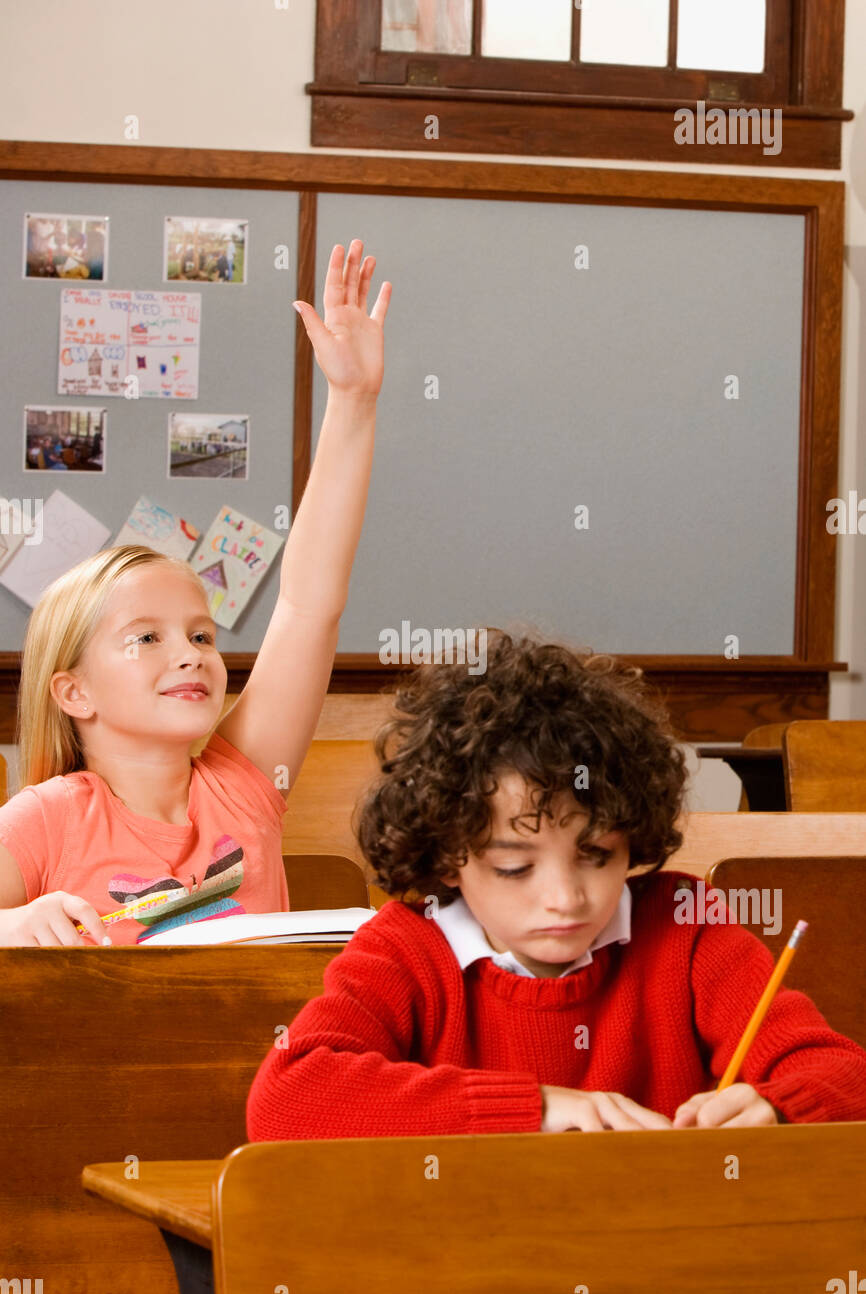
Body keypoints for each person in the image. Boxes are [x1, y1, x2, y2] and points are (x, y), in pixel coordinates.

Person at [246, 630, 866, 1136]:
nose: (566, 898)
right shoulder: (407, 949)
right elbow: (287, 1099)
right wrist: (536, 1108)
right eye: (514, 867)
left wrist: (780, 1105)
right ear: (448, 855)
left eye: (596, 853)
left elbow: (842, 1070)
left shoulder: (687, 925)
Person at [0, 240, 391, 946]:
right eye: (146, 637)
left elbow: (309, 604)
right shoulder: (44, 819)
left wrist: (354, 401)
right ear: (73, 692)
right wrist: (13, 924)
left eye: (202, 635)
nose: (191, 655)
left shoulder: (243, 785)